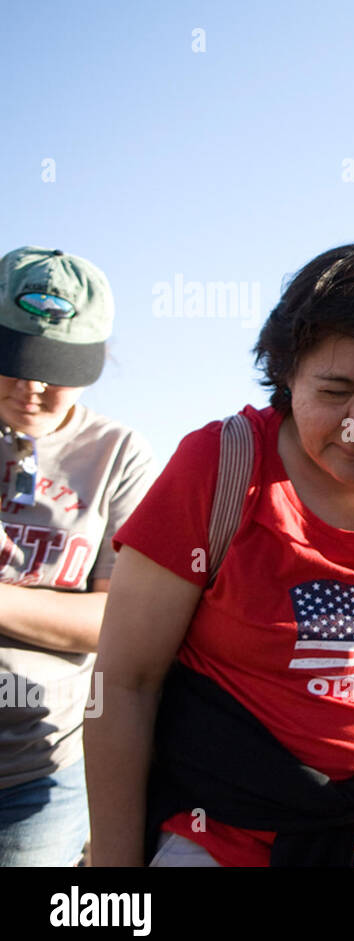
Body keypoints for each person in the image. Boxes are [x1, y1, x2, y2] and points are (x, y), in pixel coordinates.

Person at [85, 241, 354, 866]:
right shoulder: (221, 468)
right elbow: (125, 682)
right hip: (228, 838)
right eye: (334, 390)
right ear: (287, 374)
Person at [0, 246, 156, 867]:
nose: (32, 388)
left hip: (40, 772)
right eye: (13, 362)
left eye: (52, 369)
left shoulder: (119, 454)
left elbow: (117, 619)